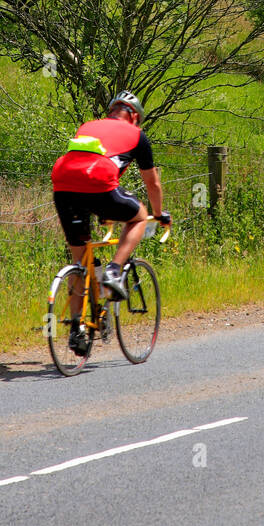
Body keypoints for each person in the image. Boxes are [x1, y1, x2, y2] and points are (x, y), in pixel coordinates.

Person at [51, 91, 168, 353]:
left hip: (63, 185)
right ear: (134, 116)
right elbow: (152, 183)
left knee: (80, 261)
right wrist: (158, 215)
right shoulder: (137, 135)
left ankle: (77, 330)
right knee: (139, 216)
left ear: (112, 110)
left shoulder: (89, 126)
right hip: (99, 185)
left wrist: (102, 212)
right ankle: (114, 270)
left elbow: (84, 168)